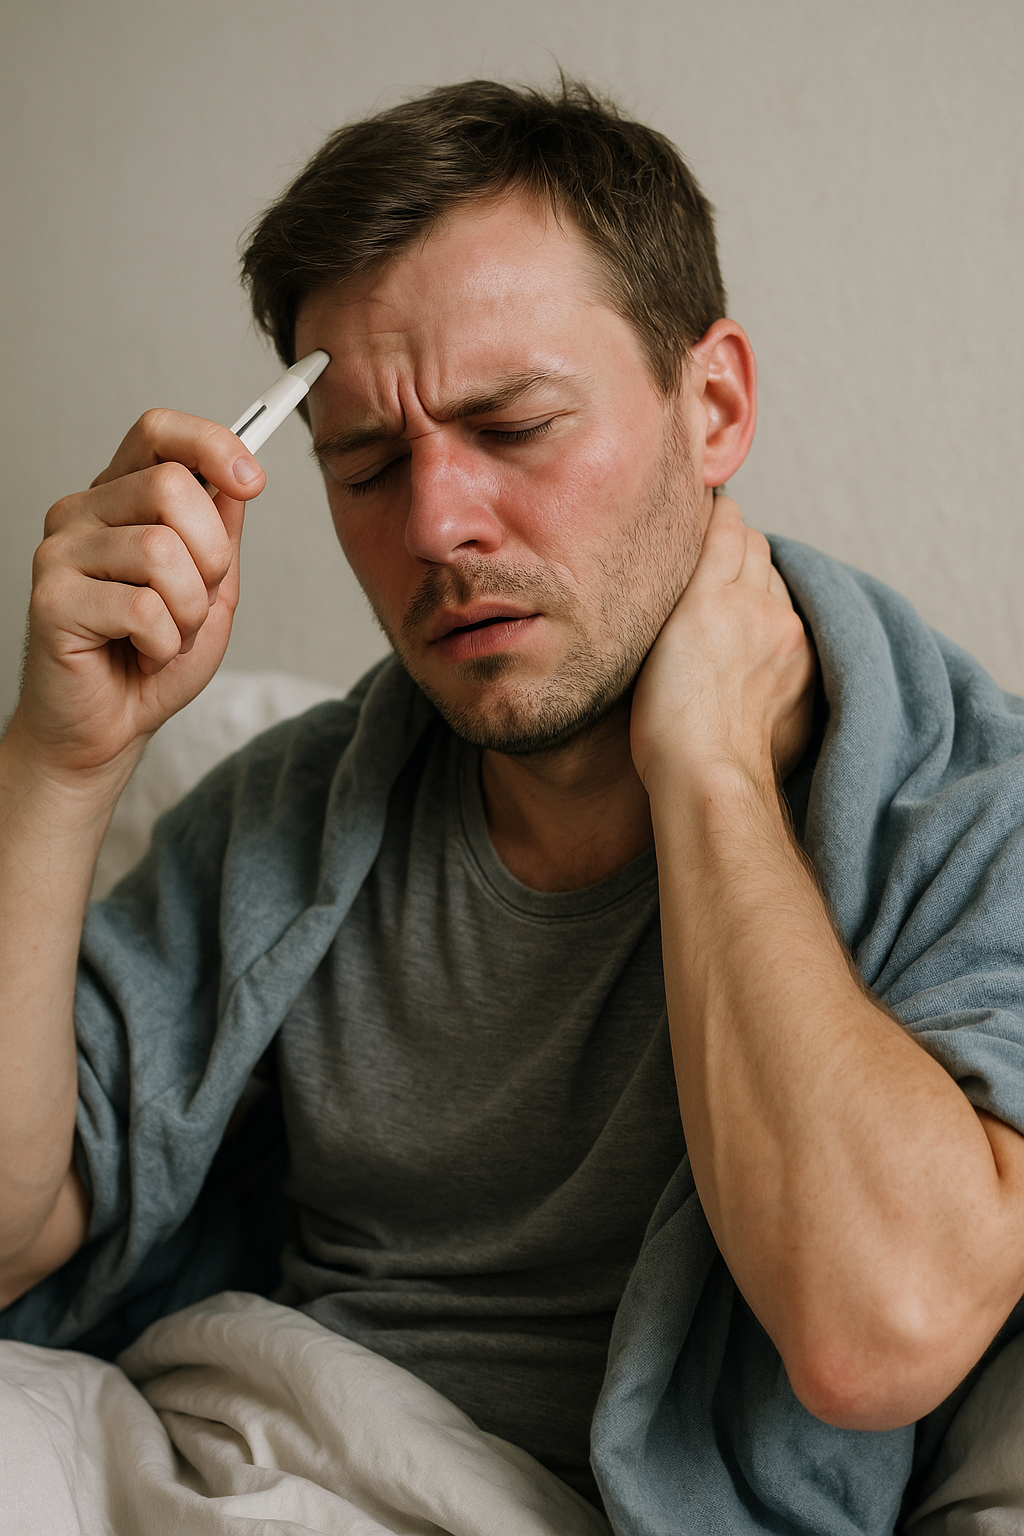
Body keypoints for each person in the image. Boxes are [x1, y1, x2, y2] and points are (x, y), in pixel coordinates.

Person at [1, 78, 1023, 1533]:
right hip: (241, 1448)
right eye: (364, 463)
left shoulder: (971, 811)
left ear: (714, 401)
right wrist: (59, 764)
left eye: (515, 424)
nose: (434, 525)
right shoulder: (292, 815)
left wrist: (713, 774)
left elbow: (881, 1331)